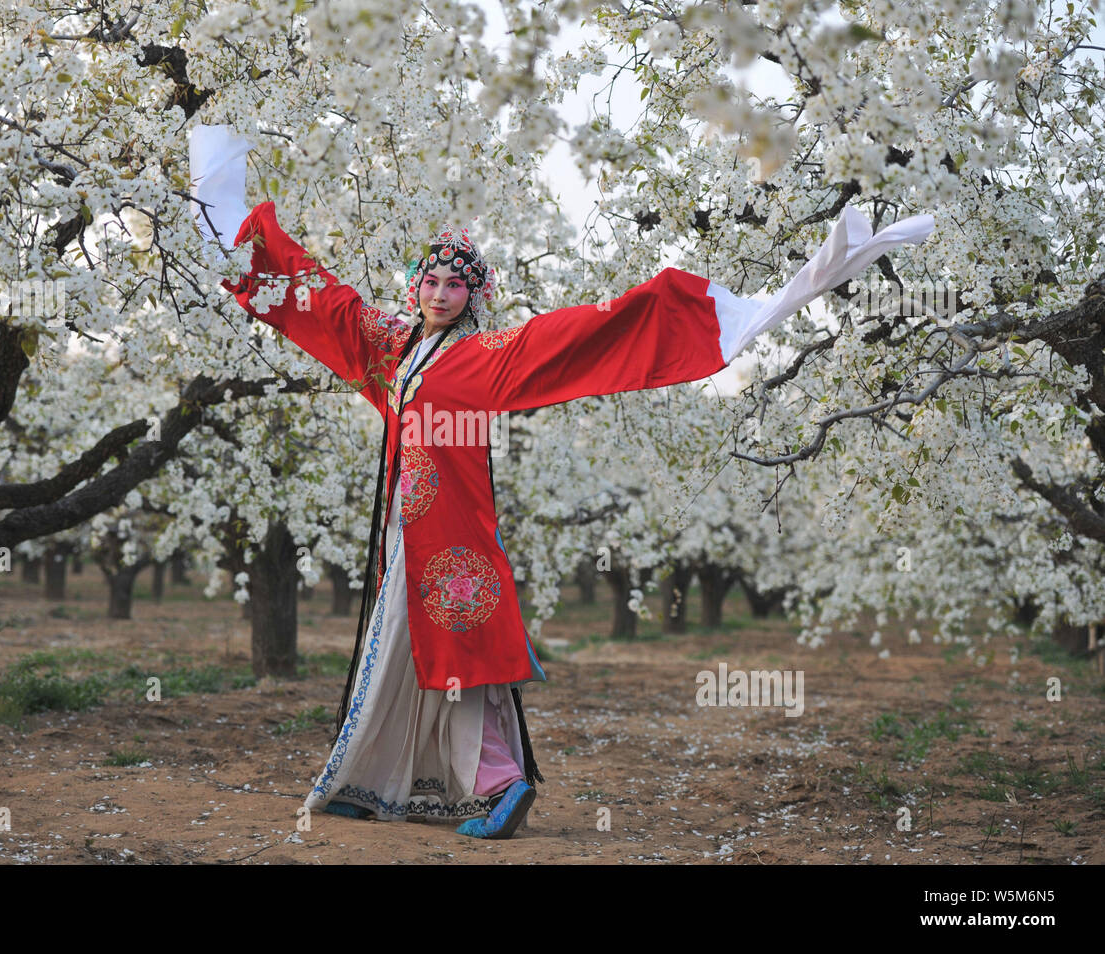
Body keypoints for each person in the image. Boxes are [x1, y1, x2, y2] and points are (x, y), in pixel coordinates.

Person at [189, 124, 934, 839]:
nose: (441, 293)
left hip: (456, 538)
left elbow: (581, 333)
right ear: (415, 286)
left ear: (474, 295)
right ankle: (373, 780)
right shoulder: (388, 348)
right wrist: (240, 233)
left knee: (464, 661)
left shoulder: (490, 356)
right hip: (401, 531)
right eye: (431, 280)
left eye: (456, 284)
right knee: (398, 647)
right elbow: (322, 300)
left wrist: (690, 309)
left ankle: (500, 784)